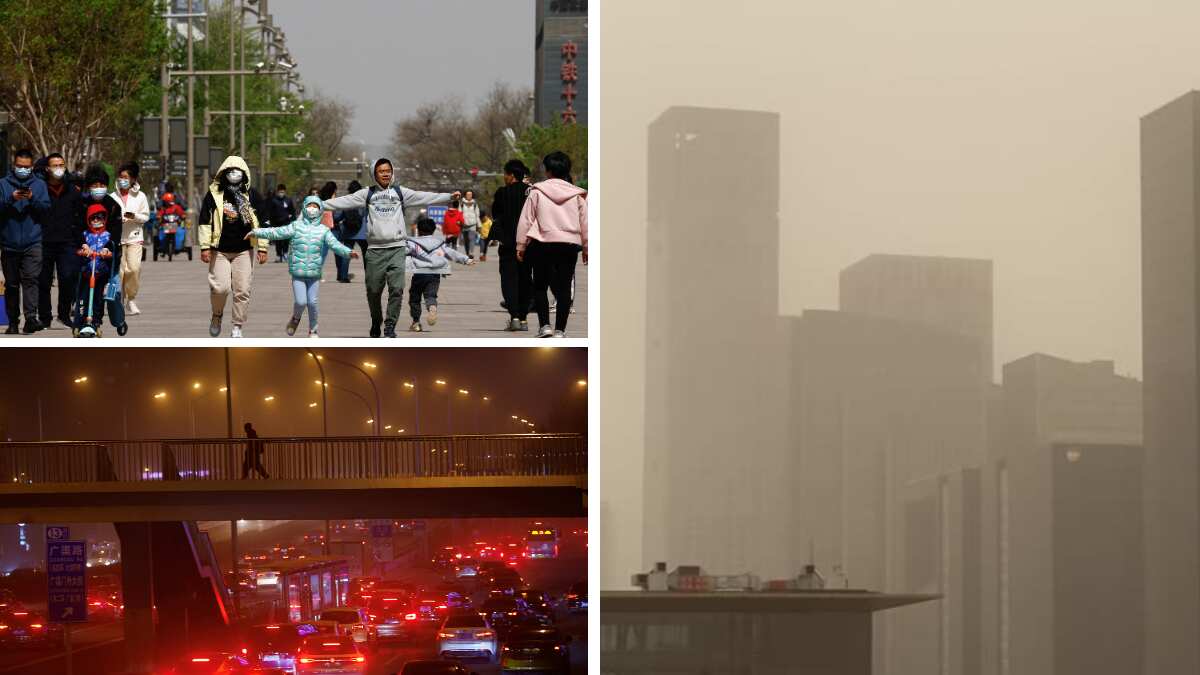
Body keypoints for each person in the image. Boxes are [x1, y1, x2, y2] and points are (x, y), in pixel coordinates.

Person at [322, 158, 460, 338]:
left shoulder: (400, 192)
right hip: (375, 251)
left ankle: (390, 326)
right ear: (374, 174)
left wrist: (449, 197)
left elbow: (424, 196)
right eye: (381, 171)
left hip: (396, 248)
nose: (386, 174)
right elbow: (344, 201)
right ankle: (376, 320)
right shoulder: (367, 194)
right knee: (373, 291)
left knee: (397, 288)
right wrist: (318, 204)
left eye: (388, 170)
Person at [247, 195, 358, 338]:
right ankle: (295, 318)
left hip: (314, 274)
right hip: (298, 273)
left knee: (312, 303)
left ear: (320, 210)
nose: (312, 209)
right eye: (309, 206)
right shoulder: (296, 226)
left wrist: (349, 252)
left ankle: (313, 330)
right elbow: (276, 232)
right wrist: (256, 232)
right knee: (301, 302)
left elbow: (335, 245)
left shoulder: (324, 230)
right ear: (304, 208)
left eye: (316, 207)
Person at [516, 151, 587, 338]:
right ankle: (560, 331)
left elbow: (526, 220)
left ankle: (544, 326)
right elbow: (586, 223)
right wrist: (587, 247)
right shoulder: (577, 195)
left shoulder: (537, 192)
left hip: (542, 244)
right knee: (564, 289)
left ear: (547, 171)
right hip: (569, 245)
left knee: (540, 286)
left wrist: (521, 245)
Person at [197, 156, 269, 338]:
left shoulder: (252, 195)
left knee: (243, 289)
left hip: (244, 249)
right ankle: (217, 314)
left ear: (245, 174)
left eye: (238, 170)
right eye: (230, 170)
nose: (234, 173)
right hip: (219, 249)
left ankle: (237, 325)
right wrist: (204, 246)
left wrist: (263, 247)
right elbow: (204, 221)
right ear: (223, 173)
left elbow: (262, 223)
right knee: (220, 288)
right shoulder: (214, 194)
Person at [0, 149, 50, 334]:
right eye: (19, 166)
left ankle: (31, 318)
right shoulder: (3, 184)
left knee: (31, 279)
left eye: (26, 167)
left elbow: (46, 209)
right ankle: (13, 321)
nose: (23, 169)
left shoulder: (39, 185)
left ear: (31, 167)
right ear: (14, 165)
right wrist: (10, 199)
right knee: (12, 284)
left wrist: (32, 198)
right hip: (9, 243)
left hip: (33, 242)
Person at [37, 153, 84, 330]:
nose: (59, 168)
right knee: (43, 281)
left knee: (68, 277)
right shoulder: (40, 189)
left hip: (68, 243)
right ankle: (45, 317)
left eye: (61, 165)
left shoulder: (73, 190)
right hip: (44, 242)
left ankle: (64, 314)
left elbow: (80, 217)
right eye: (55, 165)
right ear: (47, 169)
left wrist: (80, 241)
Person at [405, 216, 475, 332]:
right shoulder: (439, 243)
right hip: (434, 275)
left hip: (419, 274)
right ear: (433, 230)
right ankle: (432, 307)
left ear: (419, 230)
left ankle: (416, 322)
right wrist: (466, 259)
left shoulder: (413, 243)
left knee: (415, 298)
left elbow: (402, 252)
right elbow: (451, 253)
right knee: (431, 296)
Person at [490, 159, 533, 332]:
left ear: (511, 175)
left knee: (508, 280)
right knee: (525, 279)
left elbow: (496, 214)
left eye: (505, 174)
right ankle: (523, 319)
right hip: (528, 244)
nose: (504, 177)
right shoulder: (530, 193)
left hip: (508, 244)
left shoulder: (502, 193)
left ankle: (514, 316)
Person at [111, 162, 150, 316]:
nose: (123, 180)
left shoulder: (141, 196)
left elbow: (146, 216)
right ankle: (120, 300)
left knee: (133, 269)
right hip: (118, 239)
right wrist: (117, 220)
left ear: (133, 179)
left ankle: (131, 299)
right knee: (120, 272)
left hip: (134, 237)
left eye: (126, 177)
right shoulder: (112, 196)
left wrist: (134, 216)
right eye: (120, 177)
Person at [73, 203, 116, 335]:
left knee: (98, 299)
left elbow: (113, 248)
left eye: (99, 217)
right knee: (82, 298)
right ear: (88, 220)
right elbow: (78, 246)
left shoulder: (108, 236)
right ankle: (81, 322)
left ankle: (96, 321)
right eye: (93, 218)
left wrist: (107, 251)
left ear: (104, 219)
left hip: (101, 273)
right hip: (86, 272)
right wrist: (83, 250)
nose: (96, 221)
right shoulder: (85, 235)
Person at [335, 179, 367, 282]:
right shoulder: (364, 200)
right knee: (366, 255)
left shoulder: (346, 200)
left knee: (347, 254)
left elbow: (340, 216)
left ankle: (344, 277)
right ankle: (369, 277)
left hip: (349, 232)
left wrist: (336, 221)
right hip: (362, 233)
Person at [267, 183, 296, 263]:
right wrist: (271, 223)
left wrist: (293, 220)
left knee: (286, 240)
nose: (281, 193)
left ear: (285, 192)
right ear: (277, 191)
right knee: (278, 240)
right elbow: (271, 213)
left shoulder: (288, 200)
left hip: (286, 223)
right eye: (280, 192)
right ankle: (279, 255)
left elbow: (292, 211)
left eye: (282, 192)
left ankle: (285, 253)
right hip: (277, 223)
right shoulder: (274, 201)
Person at [156, 193, 186, 259]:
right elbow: (159, 214)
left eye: (168, 201)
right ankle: (163, 246)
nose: (167, 202)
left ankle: (178, 246)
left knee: (181, 231)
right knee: (159, 232)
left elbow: (181, 213)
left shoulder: (176, 207)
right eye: (166, 201)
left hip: (175, 224)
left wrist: (183, 216)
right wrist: (158, 216)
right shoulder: (163, 208)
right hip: (165, 225)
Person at [460, 189, 481, 259]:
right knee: (466, 240)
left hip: (473, 224)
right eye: (468, 194)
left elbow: (477, 214)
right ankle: (467, 253)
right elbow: (459, 213)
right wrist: (459, 222)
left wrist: (479, 225)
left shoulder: (475, 203)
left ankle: (471, 253)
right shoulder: (462, 203)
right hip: (464, 224)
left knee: (471, 238)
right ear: (465, 195)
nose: (469, 196)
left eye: (470, 194)